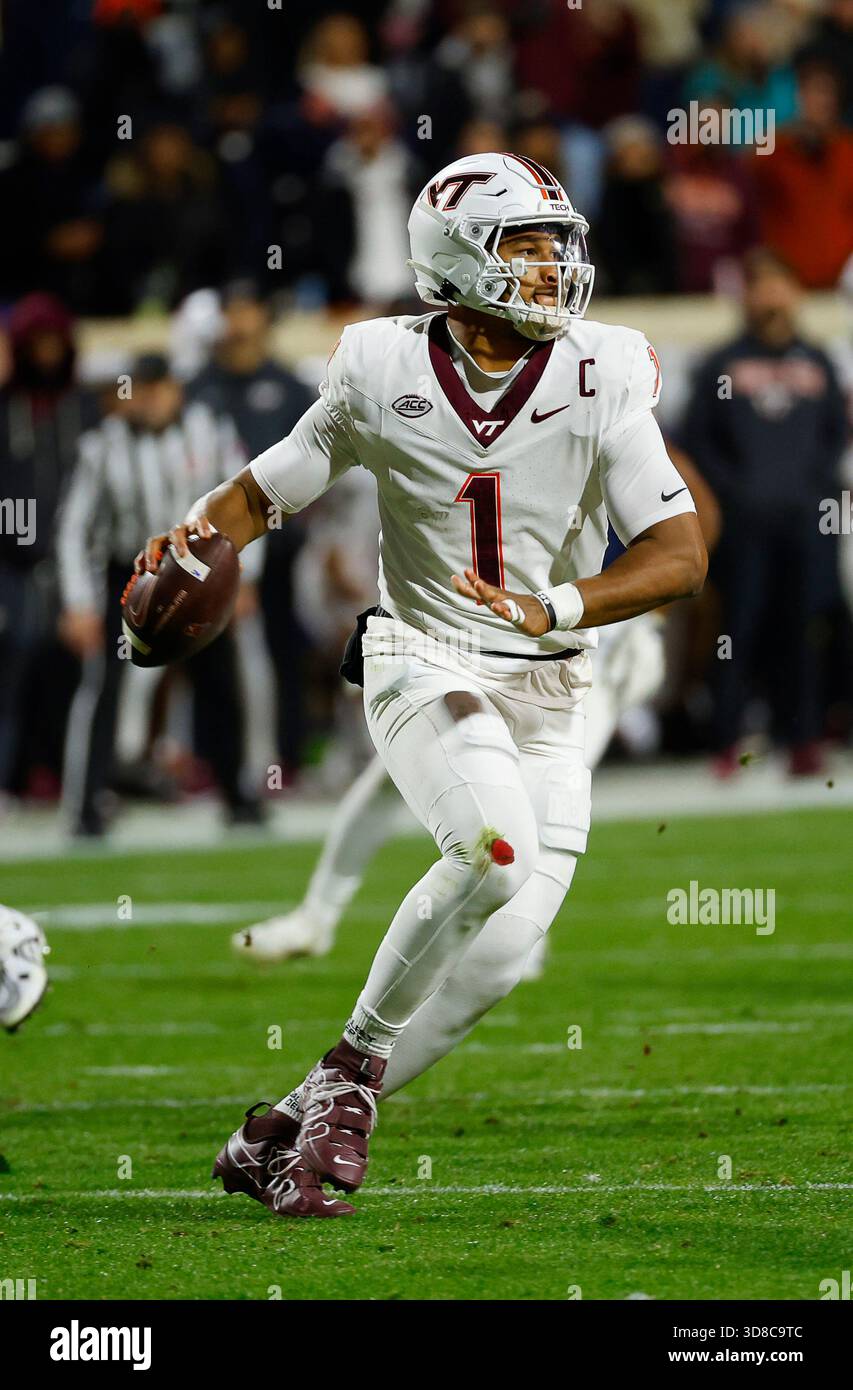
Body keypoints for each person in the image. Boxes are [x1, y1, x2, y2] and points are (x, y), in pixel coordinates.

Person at [138, 152, 706, 1218]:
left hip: (551, 681)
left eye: (557, 244)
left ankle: (280, 1126)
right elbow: (266, 493)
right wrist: (184, 549)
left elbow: (677, 550)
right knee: (492, 851)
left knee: (496, 956)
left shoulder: (602, 368)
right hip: (424, 657)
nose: (554, 269)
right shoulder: (376, 366)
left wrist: (559, 607)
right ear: (456, 261)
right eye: (524, 247)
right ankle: (352, 1080)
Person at [57, 352, 263, 837]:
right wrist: (79, 603)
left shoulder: (210, 431)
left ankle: (239, 795)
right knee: (104, 686)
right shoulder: (101, 446)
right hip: (131, 577)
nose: (148, 399)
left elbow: (248, 502)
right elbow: (74, 529)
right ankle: (85, 805)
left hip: (200, 572)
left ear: (175, 388)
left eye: (157, 387)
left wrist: (245, 578)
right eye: (139, 389)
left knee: (222, 683)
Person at [682, 248, 847, 776]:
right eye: (762, 285)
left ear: (795, 293)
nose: (771, 296)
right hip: (745, 526)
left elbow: (833, 437)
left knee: (806, 630)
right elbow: (697, 444)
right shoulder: (720, 364)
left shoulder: (818, 361)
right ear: (746, 296)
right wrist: (737, 496)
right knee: (738, 631)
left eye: (780, 285)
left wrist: (812, 493)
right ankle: (726, 741)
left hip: (805, 521)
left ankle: (803, 739)